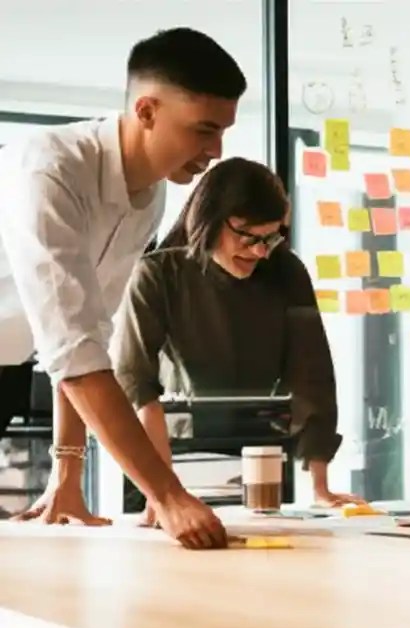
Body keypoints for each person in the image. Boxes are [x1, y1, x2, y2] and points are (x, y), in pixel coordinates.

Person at [0, 28, 245, 549]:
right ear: (148, 110)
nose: (216, 151)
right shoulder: (52, 167)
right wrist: (169, 496)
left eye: (222, 132)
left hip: (10, 360)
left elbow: (87, 336)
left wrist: (67, 474)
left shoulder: (151, 195)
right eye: (204, 130)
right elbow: (73, 349)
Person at [112, 158, 365, 520]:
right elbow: (136, 384)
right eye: (248, 237)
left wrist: (320, 487)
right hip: (167, 459)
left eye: (272, 237)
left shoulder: (287, 271)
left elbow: (312, 379)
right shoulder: (157, 275)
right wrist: (163, 492)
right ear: (209, 219)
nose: (261, 251)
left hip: (262, 461)